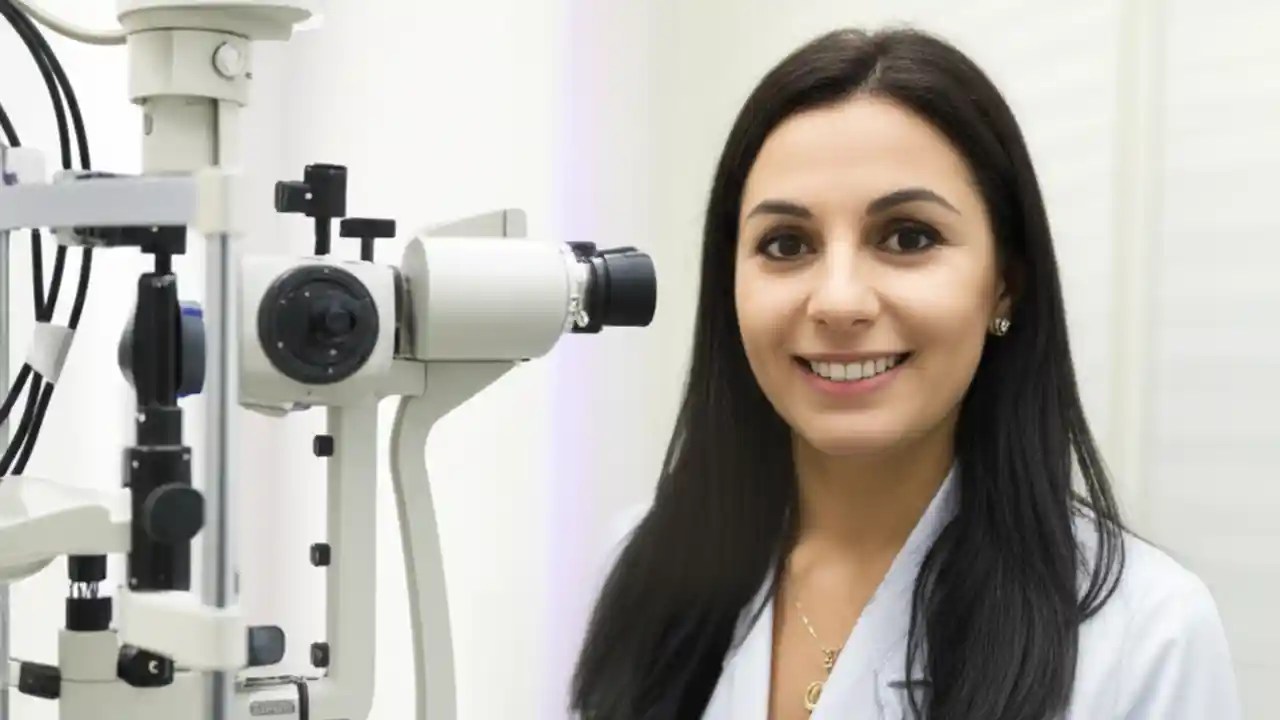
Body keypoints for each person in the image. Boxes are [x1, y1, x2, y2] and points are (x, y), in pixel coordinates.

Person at [569, 26, 1241, 720]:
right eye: (787, 243)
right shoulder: (641, 568)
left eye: (907, 237)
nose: (838, 301)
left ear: (1004, 285)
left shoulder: (1146, 637)